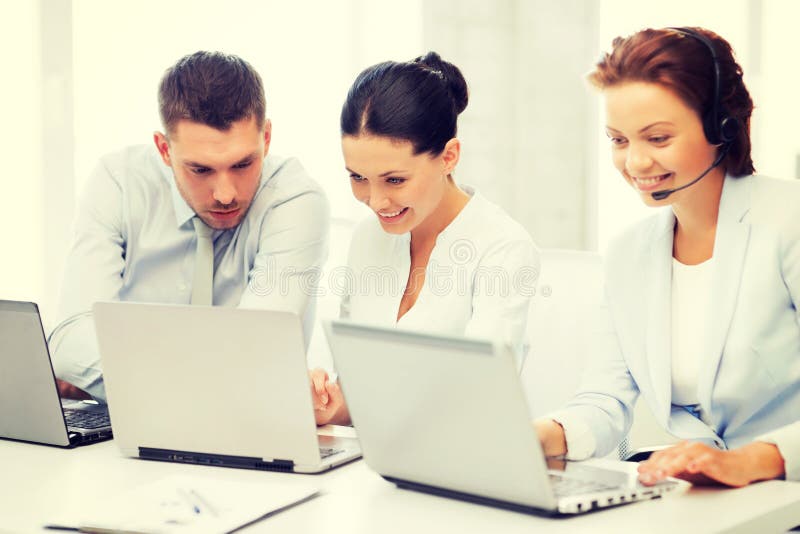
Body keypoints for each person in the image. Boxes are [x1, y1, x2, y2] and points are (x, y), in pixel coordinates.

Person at [535, 27, 800, 486]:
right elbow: (605, 400)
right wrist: (533, 436)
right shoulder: (628, 254)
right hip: (697, 495)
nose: (634, 163)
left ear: (723, 126)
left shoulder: (787, 222)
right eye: (619, 140)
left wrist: (755, 460)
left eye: (657, 138)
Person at [51, 51, 329, 402]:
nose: (226, 194)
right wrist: (216, 376)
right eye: (201, 170)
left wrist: (115, 372)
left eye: (243, 164)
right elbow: (70, 339)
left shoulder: (295, 199)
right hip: (131, 430)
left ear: (267, 138)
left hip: (247, 430)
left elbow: (258, 351)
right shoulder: (118, 184)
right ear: (164, 149)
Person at [311, 52, 539, 426]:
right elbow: (359, 398)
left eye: (395, 180)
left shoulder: (503, 248)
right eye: (357, 178)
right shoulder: (367, 238)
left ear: (449, 157)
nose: (376, 201)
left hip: (462, 463)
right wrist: (331, 405)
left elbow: (479, 401)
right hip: (377, 463)